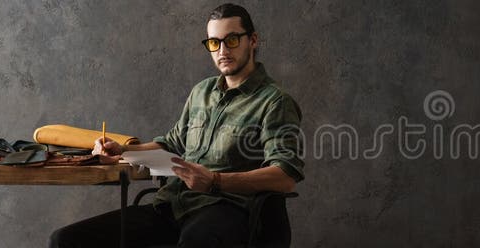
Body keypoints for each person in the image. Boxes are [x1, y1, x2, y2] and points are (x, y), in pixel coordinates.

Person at [49, 3, 305, 247]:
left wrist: (215, 181)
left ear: (253, 40)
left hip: (229, 208)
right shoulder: (201, 92)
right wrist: (123, 151)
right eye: (214, 43)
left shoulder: (274, 101)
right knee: (65, 240)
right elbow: (172, 143)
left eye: (232, 40)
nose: (223, 51)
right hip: (173, 203)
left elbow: (285, 177)